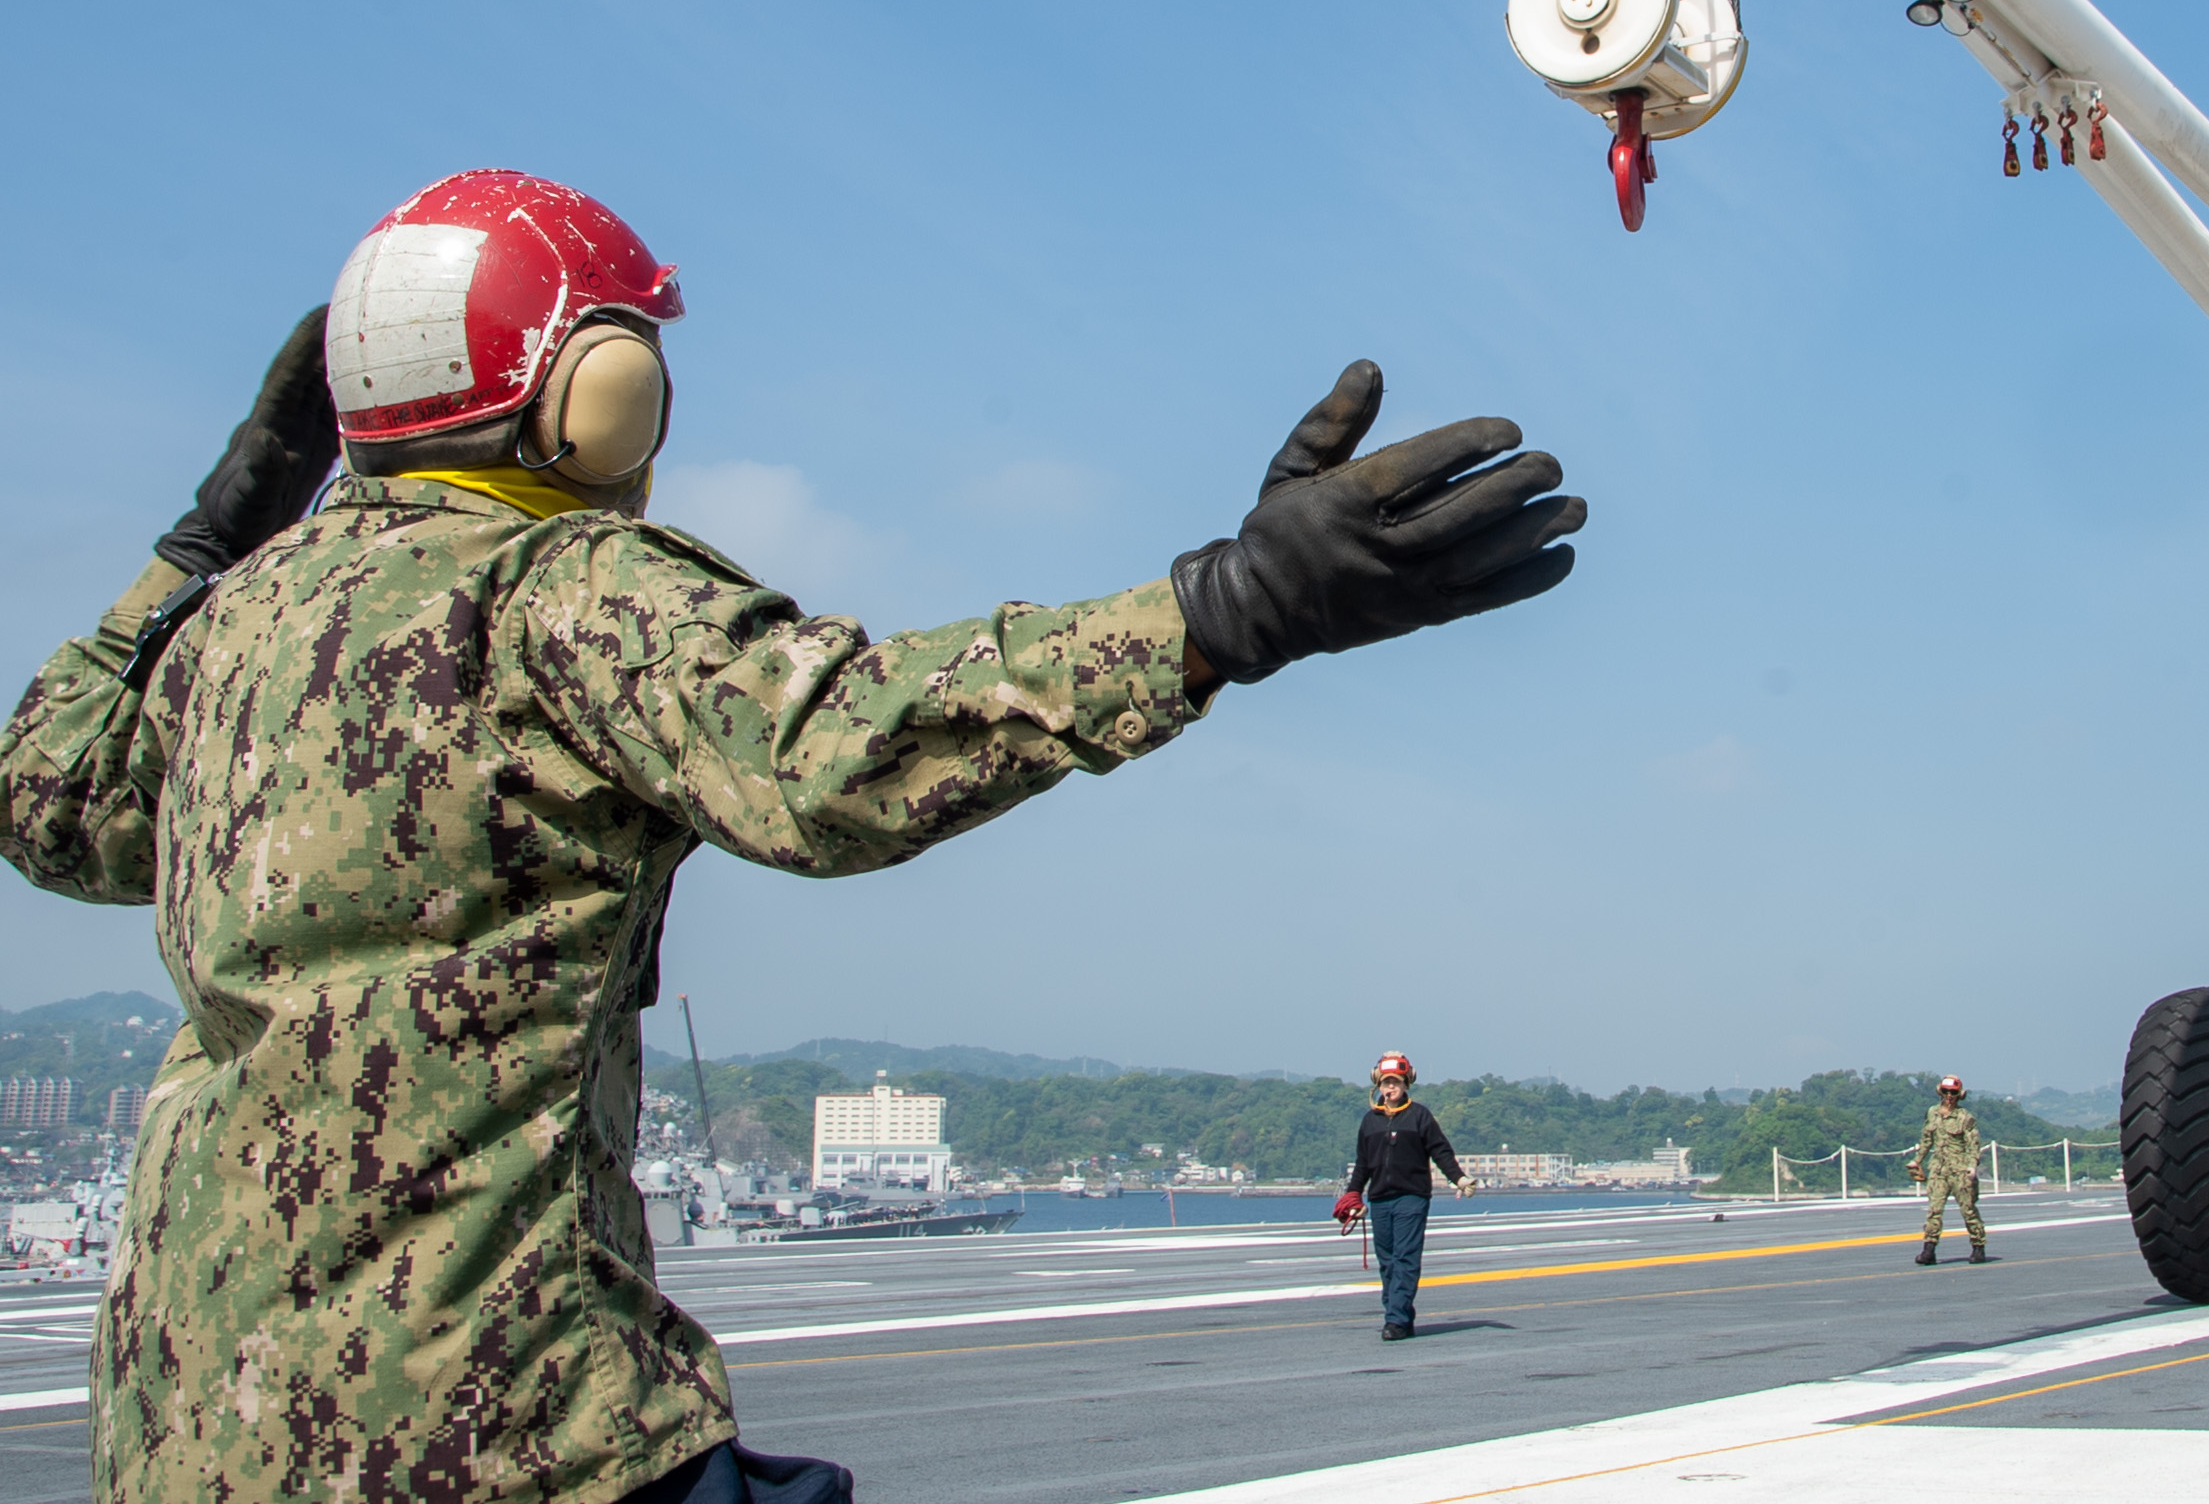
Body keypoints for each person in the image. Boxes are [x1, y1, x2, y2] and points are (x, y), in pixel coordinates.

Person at [0, 170, 1585, 1504]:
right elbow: (843, 757)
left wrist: (202, 543)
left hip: (187, 1433)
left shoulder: (225, 641)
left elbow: (45, 798)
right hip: (496, 1430)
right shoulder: (549, 593)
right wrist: (1226, 609)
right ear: (588, 390)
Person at [1342, 1050, 1473, 1339]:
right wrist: (1353, 1196)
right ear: (1378, 1085)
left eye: (1396, 1083)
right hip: (1380, 1199)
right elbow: (1362, 1163)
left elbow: (1440, 1150)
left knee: (1405, 1258)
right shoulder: (1370, 1121)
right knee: (1387, 1261)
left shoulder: (1420, 1116)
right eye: (1386, 1083)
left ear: (1406, 1085)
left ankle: (1396, 1320)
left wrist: (1459, 1179)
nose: (1390, 1089)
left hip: (1411, 1198)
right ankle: (1400, 1315)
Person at [1909, 1074, 1988, 1265]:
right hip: (1939, 1169)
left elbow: (1972, 1145)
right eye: (1946, 1092)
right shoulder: (1932, 1113)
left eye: (1953, 1092)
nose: (1949, 1096)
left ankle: (1978, 1246)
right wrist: (1917, 1161)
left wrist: (1972, 1166)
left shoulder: (1965, 1118)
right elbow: (1927, 1139)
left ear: (1959, 1094)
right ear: (1940, 1092)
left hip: (1960, 1169)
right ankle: (1929, 1249)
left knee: (1968, 1209)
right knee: (1934, 1210)